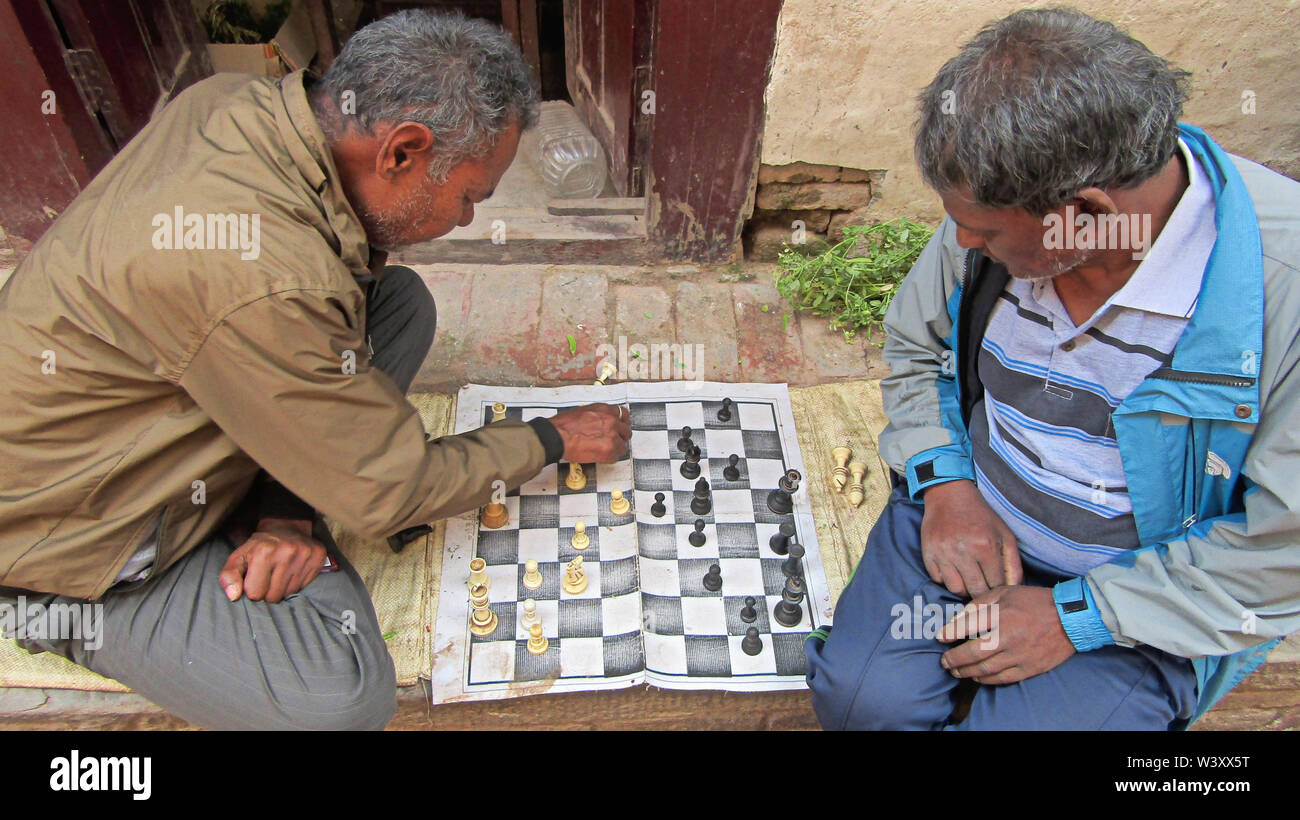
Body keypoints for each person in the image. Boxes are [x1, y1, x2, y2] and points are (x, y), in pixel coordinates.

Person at [0, 10, 629, 729]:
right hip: (73, 534)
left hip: (169, 390)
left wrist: (287, 512)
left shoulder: (230, 102)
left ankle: (287, 505)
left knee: (399, 305)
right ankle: (55, 616)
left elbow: (321, 293)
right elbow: (395, 491)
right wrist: (549, 440)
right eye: (469, 196)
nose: (462, 220)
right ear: (402, 152)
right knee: (337, 703)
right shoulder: (266, 279)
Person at [804, 7, 1300, 730]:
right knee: (862, 705)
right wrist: (944, 482)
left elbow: (1283, 547)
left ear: (1087, 214)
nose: (960, 239)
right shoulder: (995, 210)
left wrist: (1083, 615)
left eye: (984, 231)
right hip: (971, 514)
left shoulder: (1279, 294)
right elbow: (916, 351)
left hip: (1158, 593)